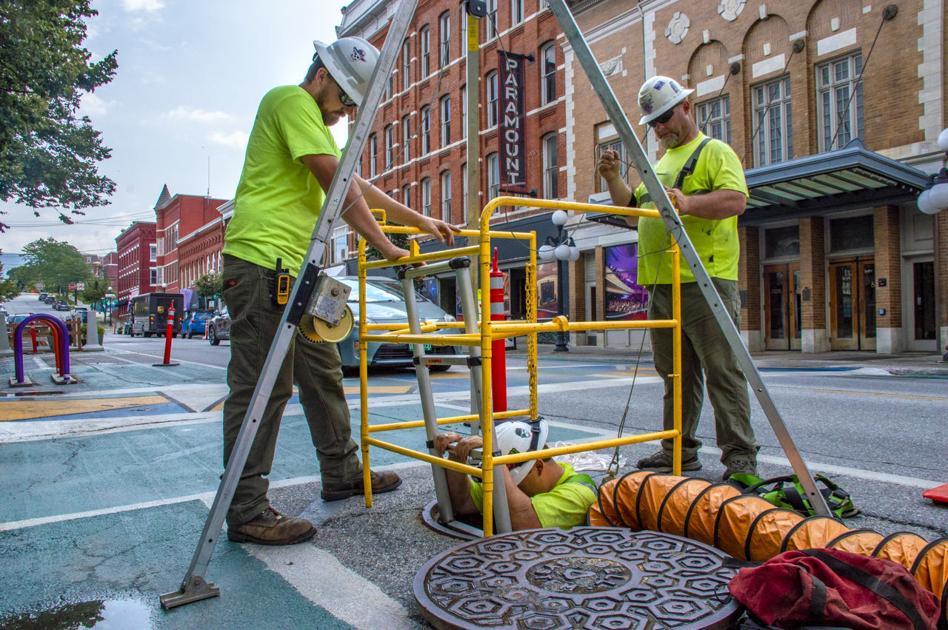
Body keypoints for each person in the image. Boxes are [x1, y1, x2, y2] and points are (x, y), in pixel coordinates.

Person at [221, 37, 459, 545]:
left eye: (353, 104)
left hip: (302, 271)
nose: (346, 110)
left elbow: (355, 183)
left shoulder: (313, 121)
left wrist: (418, 221)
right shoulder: (289, 99)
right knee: (264, 387)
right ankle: (245, 509)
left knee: (324, 373)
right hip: (265, 263)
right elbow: (336, 180)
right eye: (346, 98)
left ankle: (342, 473)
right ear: (322, 74)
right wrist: (384, 246)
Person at [597, 75, 758, 481]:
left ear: (687, 107)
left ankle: (740, 457)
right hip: (661, 283)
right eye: (653, 123)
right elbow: (632, 211)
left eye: (664, 117)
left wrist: (686, 202)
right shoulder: (659, 163)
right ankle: (678, 450)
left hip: (706, 279)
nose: (660, 128)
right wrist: (614, 178)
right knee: (675, 374)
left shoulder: (714, 151)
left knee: (722, 370)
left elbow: (735, 200)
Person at [433, 419, 597, 530]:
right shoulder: (524, 479)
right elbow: (464, 502)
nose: (514, 486)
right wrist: (456, 455)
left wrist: (494, 455)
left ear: (538, 466)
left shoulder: (579, 494)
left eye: (517, 482)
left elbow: (523, 521)